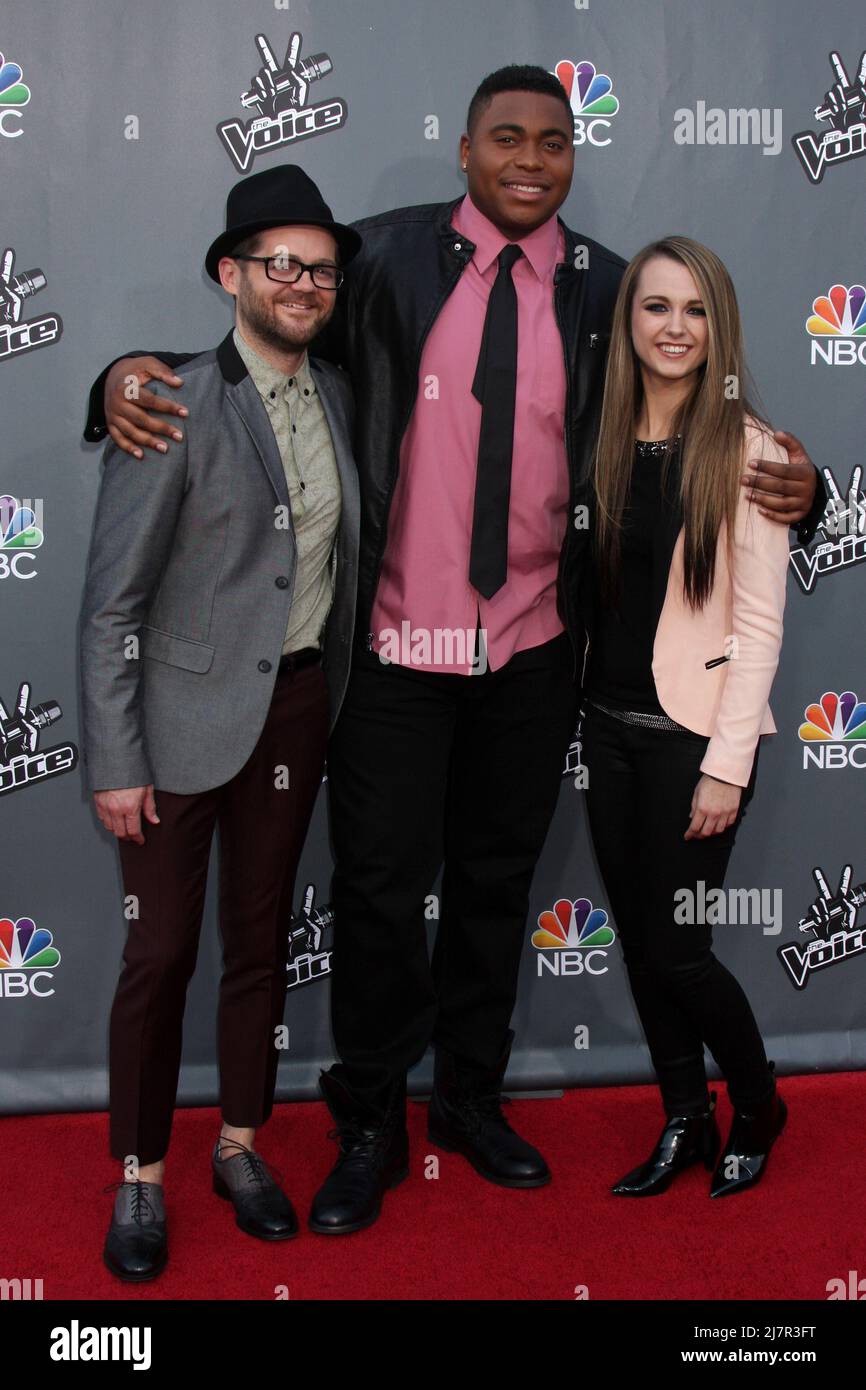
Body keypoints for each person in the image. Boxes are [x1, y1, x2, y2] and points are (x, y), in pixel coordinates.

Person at [82, 67, 824, 1234]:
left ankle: (469, 1099)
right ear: (466, 151)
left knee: (492, 888)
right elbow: (260, 333)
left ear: (573, 156)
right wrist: (120, 377)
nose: (531, 158)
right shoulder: (374, 256)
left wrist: (809, 488)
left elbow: (697, 416)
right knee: (379, 896)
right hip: (389, 655)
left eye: (553, 140)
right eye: (506, 138)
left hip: (533, 655)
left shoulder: (607, 287)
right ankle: (369, 1120)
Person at [79, 165, 361, 1277]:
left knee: (259, 946)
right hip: (172, 724)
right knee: (158, 957)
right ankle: (140, 1174)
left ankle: (239, 1145)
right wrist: (113, 758)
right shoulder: (170, 400)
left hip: (294, 712)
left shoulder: (341, 396)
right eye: (279, 263)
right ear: (230, 273)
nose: (302, 282)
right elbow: (112, 604)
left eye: (320, 268)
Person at [577, 236, 790, 1198]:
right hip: (608, 731)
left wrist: (727, 767)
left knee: (680, 950)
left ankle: (758, 1104)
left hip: (695, 744)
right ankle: (684, 1118)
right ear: (629, 322)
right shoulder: (603, 434)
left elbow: (758, 626)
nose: (675, 328)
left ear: (720, 327)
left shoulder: (756, 454)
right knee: (639, 941)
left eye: (695, 310)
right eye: (657, 306)